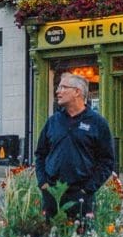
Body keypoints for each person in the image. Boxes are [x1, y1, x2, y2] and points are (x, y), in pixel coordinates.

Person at [34, 72, 115, 220]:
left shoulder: (97, 123)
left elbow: (107, 161)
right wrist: (43, 183)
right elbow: (40, 154)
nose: (58, 91)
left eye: (63, 87)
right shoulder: (53, 122)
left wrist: (87, 189)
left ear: (77, 92)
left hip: (81, 196)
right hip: (53, 193)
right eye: (58, 87)